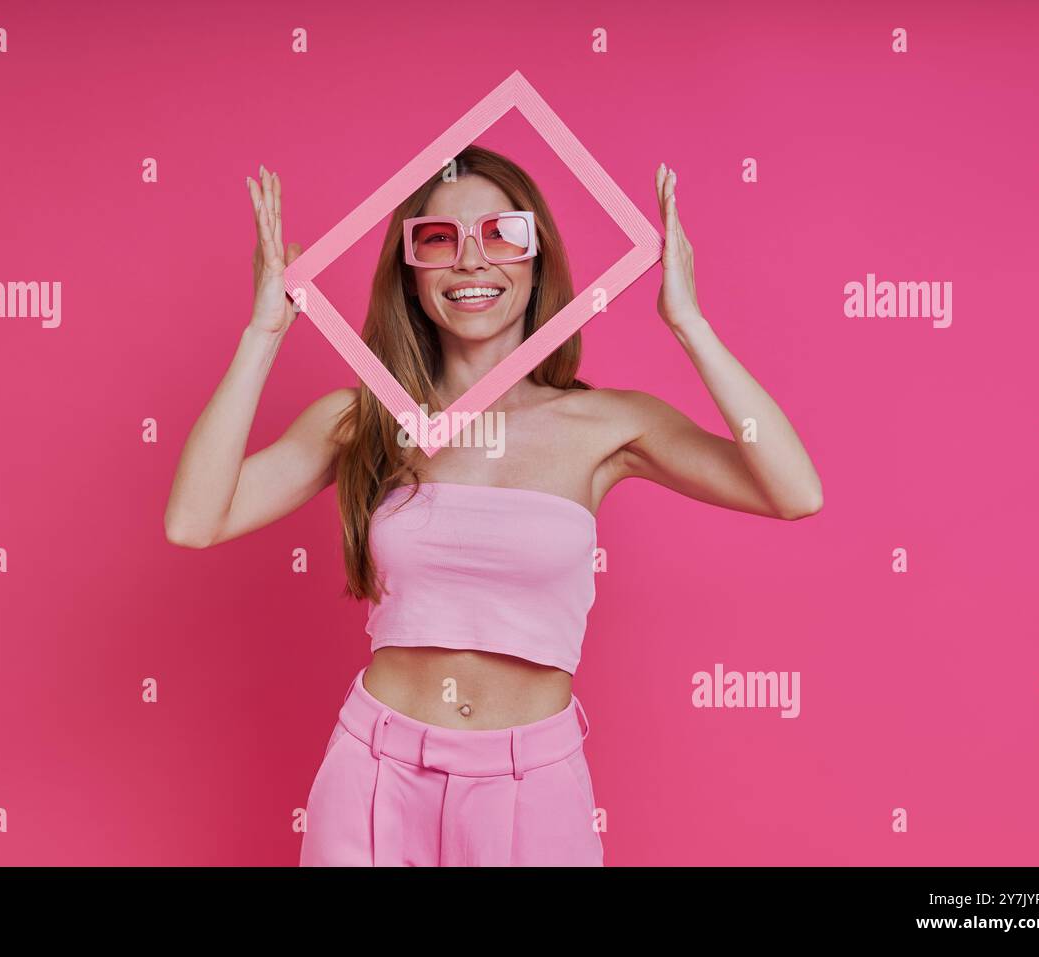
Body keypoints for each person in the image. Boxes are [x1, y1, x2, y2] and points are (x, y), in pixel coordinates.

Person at [164, 145, 823, 866]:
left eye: (503, 234)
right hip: (376, 774)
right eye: (439, 240)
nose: (472, 261)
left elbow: (792, 491)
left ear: (538, 261)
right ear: (411, 277)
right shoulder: (366, 419)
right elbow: (195, 520)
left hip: (532, 785)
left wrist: (689, 321)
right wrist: (262, 335)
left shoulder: (607, 425)